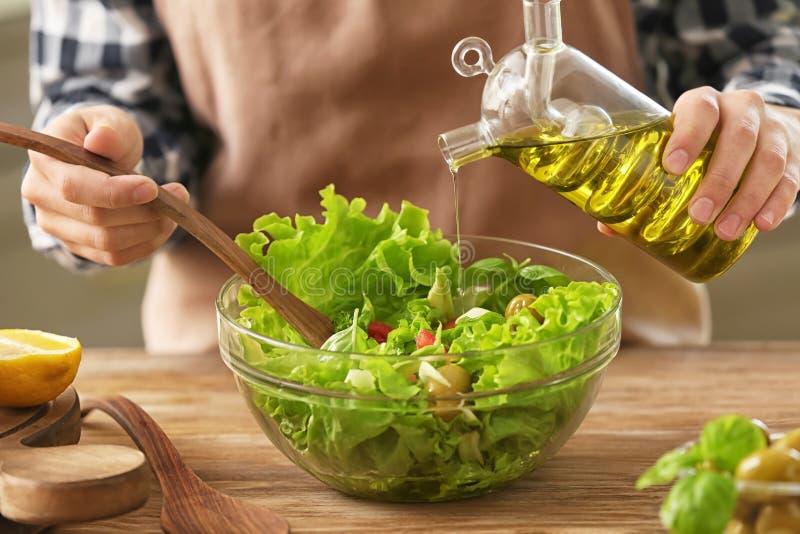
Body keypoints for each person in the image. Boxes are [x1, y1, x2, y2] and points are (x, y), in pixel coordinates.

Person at [21, 0, 800, 353]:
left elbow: (766, 39)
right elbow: (113, 105)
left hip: (613, 368)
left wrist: (773, 116)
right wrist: (110, 176)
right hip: (251, 384)